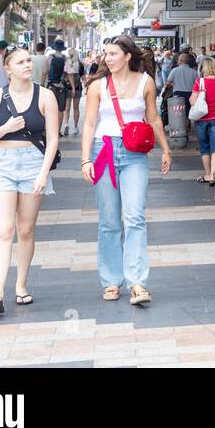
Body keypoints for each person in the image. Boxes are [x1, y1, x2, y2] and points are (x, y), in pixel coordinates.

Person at [80, 35, 171, 306]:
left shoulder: (146, 82)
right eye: (105, 54)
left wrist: (166, 149)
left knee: (134, 217)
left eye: (113, 54)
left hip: (134, 155)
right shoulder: (97, 85)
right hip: (103, 151)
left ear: (127, 56)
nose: (108, 58)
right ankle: (110, 280)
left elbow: (153, 118)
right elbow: (88, 124)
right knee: (109, 221)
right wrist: (85, 159)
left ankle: (137, 282)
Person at [0, 46, 61, 315]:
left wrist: (44, 173)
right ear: (7, 68)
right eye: (20, 62)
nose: (27, 65)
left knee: (25, 230)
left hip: (33, 164)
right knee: (4, 230)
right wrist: (5, 129)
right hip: (2, 163)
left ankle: (21, 286)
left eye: (28, 61)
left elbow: (53, 139)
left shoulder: (45, 96)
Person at [194, 58, 215, 184]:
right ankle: (213, 175)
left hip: (202, 118)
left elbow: (192, 101)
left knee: (204, 147)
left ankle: (208, 174)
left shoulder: (200, 82)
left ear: (202, 68)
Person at [164, 52, 199, 139]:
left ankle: (181, 130)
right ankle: (186, 128)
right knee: (187, 113)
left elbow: (167, 83)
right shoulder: (194, 72)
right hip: (190, 95)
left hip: (177, 95)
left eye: (178, 60)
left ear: (181, 61)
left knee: (178, 114)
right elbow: (198, 83)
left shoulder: (174, 70)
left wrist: (173, 84)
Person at [46, 40, 69, 134]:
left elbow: (46, 70)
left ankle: (50, 130)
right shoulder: (66, 58)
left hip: (52, 85)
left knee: (49, 109)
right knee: (60, 109)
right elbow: (68, 72)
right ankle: (58, 130)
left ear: (54, 48)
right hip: (62, 85)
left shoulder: (50, 57)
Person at [64, 46, 83, 137]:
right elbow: (83, 77)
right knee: (76, 108)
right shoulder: (80, 64)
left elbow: (65, 75)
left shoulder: (66, 62)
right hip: (78, 86)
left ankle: (66, 124)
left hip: (67, 86)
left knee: (67, 108)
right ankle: (75, 127)